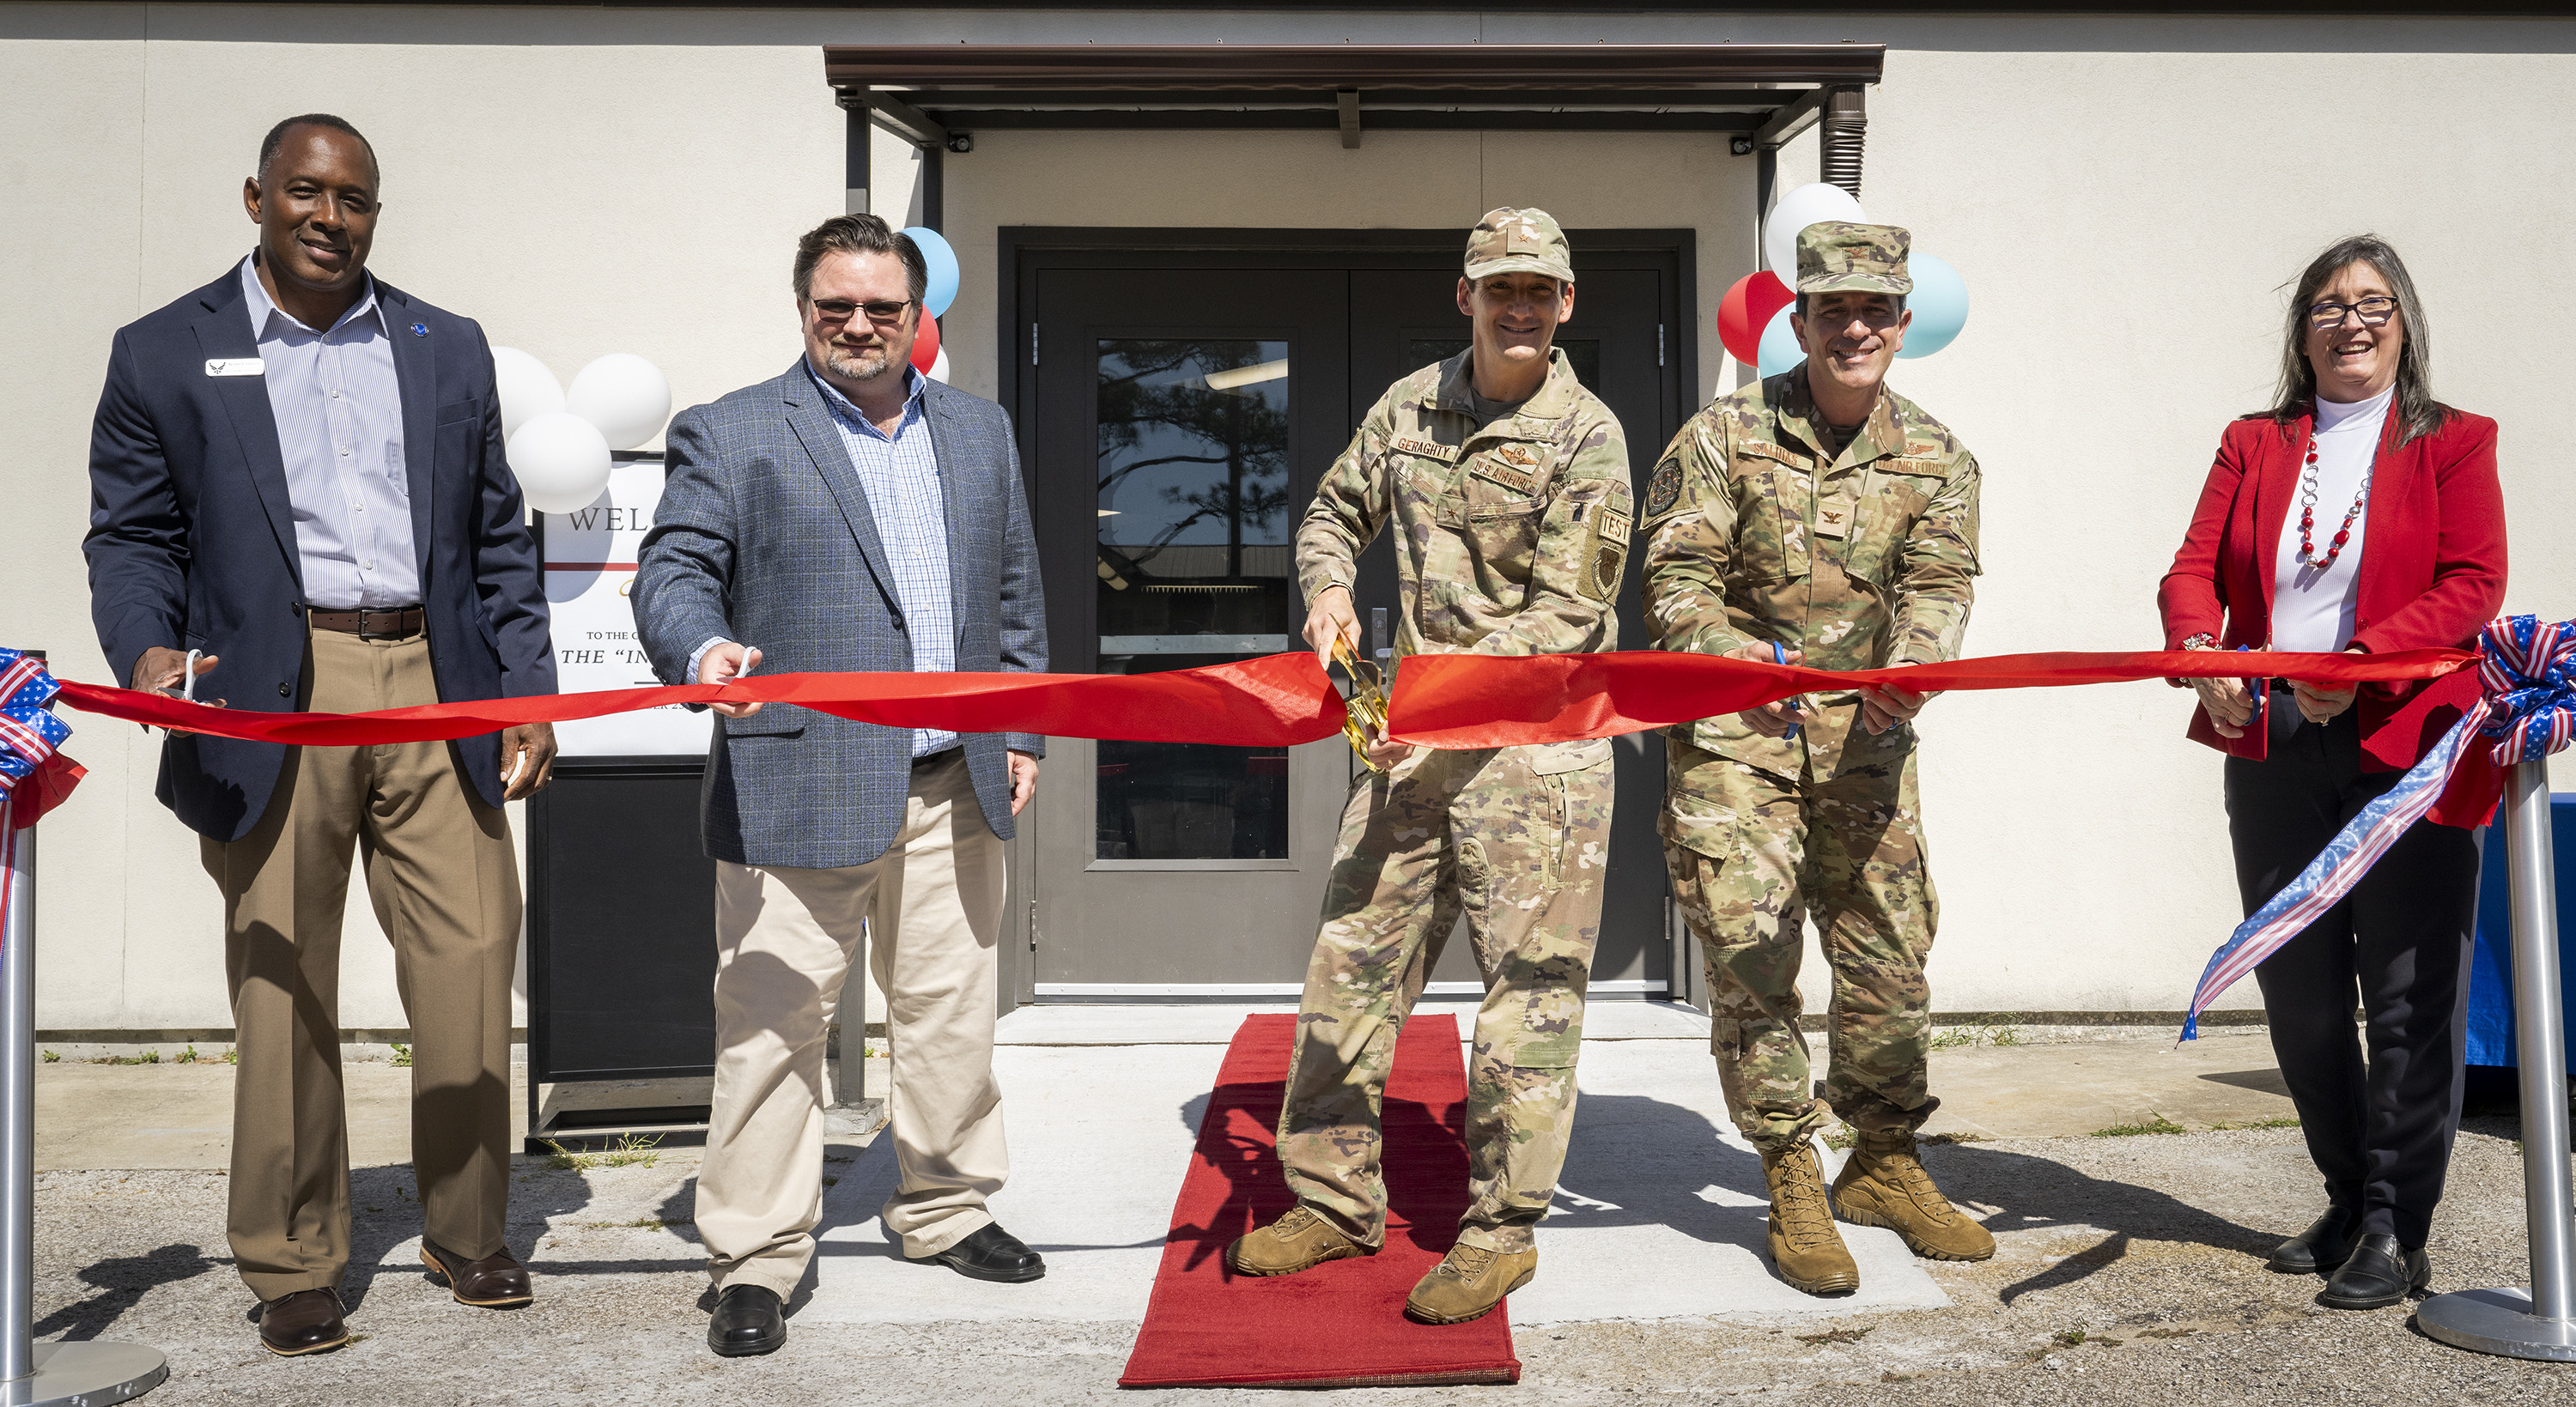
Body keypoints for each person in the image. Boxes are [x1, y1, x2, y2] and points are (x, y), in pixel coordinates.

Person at [82, 114, 556, 1356]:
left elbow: (499, 536)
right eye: (306, 192)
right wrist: (144, 651)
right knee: (284, 977)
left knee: (471, 959)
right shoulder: (165, 352)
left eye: (354, 200)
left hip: (435, 679)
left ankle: (470, 1227)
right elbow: (132, 536)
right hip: (271, 686)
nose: (330, 219)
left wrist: (527, 689)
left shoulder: (444, 346)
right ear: (257, 197)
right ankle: (294, 1257)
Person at [634, 213, 1048, 1359]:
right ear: (804, 306)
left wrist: (1016, 730)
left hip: (952, 781)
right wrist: (701, 647)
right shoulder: (731, 431)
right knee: (773, 1030)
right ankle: (757, 1257)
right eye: (836, 305)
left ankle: (946, 1203)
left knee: (950, 1011)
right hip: (794, 783)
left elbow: (1013, 595)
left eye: (883, 307)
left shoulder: (978, 432)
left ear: (919, 317)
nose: (859, 324)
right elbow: (674, 567)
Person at [1224, 208, 1631, 1326]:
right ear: (1465, 294)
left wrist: (1426, 685)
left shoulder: (1585, 436)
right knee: (1351, 967)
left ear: (1565, 305)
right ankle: (1335, 1199)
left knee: (1528, 1003)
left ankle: (1502, 1228)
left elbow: (1565, 619)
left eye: (1538, 290)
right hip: (1412, 758)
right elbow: (1330, 513)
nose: (1518, 305)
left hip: (1534, 766)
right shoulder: (1407, 408)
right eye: (1499, 285)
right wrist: (1328, 589)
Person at [1640, 222, 1992, 1297]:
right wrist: (1740, 659)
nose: (1854, 327)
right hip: (1740, 746)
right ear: (1797, 320)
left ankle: (1883, 1161)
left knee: (1890, 961)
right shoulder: (1721, 436)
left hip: (1868, 748)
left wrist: (1915, 668)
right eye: (1832, 308)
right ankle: (1792, 1165)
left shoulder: (1938, 456)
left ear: (1901, 324)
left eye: (1874, 310)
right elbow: (1676, 581)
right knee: (1753, 957)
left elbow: (1939, 586)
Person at [2158, 234, 2505, 1311]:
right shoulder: (2255, 441)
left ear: (2405, 323)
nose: (2350, 321)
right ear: (2300, 331)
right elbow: (2189, 570)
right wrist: (2200, 655)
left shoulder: (2454, 440)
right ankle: (2350, 1196)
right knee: (2300, 994)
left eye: (2373, 303)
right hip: (2275, 748)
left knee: (2407, 996)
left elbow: (2472, 583)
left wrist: (2358, 666)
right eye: (2327, 305)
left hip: (2410, 746)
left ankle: (2401, 1227)